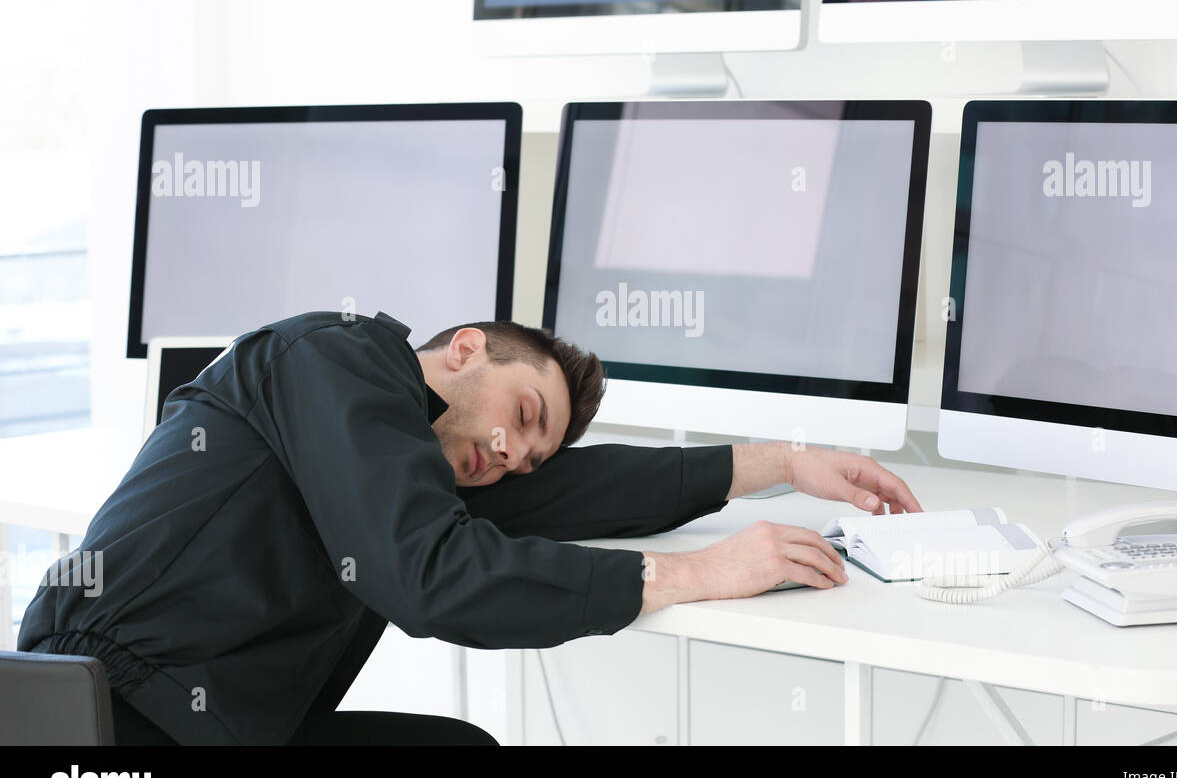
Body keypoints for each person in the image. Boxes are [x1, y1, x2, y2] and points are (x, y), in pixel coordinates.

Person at [18, 310, 921, 745]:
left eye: (532, 453)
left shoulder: (421, 449)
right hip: (111, 721)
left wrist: (783, 464)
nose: (514, 453)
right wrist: (690, 575)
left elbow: (578, 490)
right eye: (525, 415)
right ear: (465, 349)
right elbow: (428, 575)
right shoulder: (336, 361)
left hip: (221, 723)